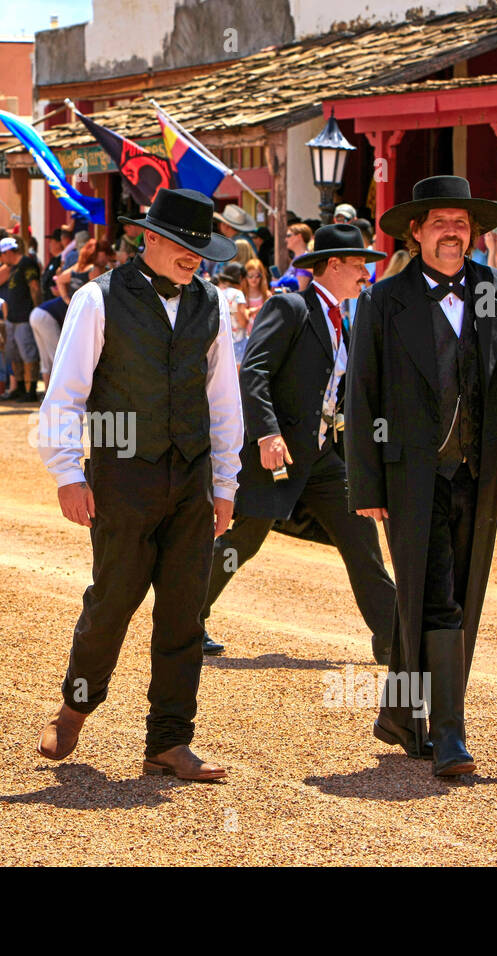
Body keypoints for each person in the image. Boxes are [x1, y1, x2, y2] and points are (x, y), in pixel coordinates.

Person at [346, 175, 497, 777]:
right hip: (409, 476)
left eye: (461, 223)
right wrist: (367, 485)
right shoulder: (382, 302)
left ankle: (400, 712)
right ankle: (449, 733)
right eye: (440, 222)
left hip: (478, 475)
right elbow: (362, 395)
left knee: (459, 593)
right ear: (416, 231)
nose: (452, 233)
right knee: (434, 595)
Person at [35, 187, 243, 782]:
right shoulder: (97, 300)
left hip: (194, 479)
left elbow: (223, 399)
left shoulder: (212, 304)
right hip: (123, 475)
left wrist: (226, 484)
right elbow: (67, 393)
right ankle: (75, 708)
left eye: (200, 250)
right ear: (149, 238)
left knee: (184, 615)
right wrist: (68, 474)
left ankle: (169, 742)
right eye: (184, 246)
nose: (194, 260)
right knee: (112, 602)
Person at [200, 223, 397, 662]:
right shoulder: (290, 307)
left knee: (360, 534)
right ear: (332, 265)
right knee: (244, 540)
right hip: (279, 453)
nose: (366, 271)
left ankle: (392, 636)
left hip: (325, 455)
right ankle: (188, 615)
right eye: (358, 264)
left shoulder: (345, 318)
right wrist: (268, 432)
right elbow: (253, 372)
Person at [0, 236, 42, 403]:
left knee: (28, 354)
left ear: (9, 252)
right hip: (13, 317)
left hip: (24, 317)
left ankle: (30, 389)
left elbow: (34, 288)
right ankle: (19, 388)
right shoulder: (12, 267)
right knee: (14, 355)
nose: (0, 259)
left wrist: (36, 309)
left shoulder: (26, 264)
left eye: (1, 255)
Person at [216, 262, 250, 369]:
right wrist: (249, 313)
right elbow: (242, 321)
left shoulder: (217, 292)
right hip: (238, 343)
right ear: (241, 278)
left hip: (220, 344)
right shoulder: (237, 294)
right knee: (238, 382)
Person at [242, 257, 271, 325]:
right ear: (245, 276)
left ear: (262, 276)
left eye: (257, 276)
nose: (254, 279)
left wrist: (253, 310)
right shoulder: (242, 294)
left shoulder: (266, 295)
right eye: (250, 276)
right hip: (245, 333)